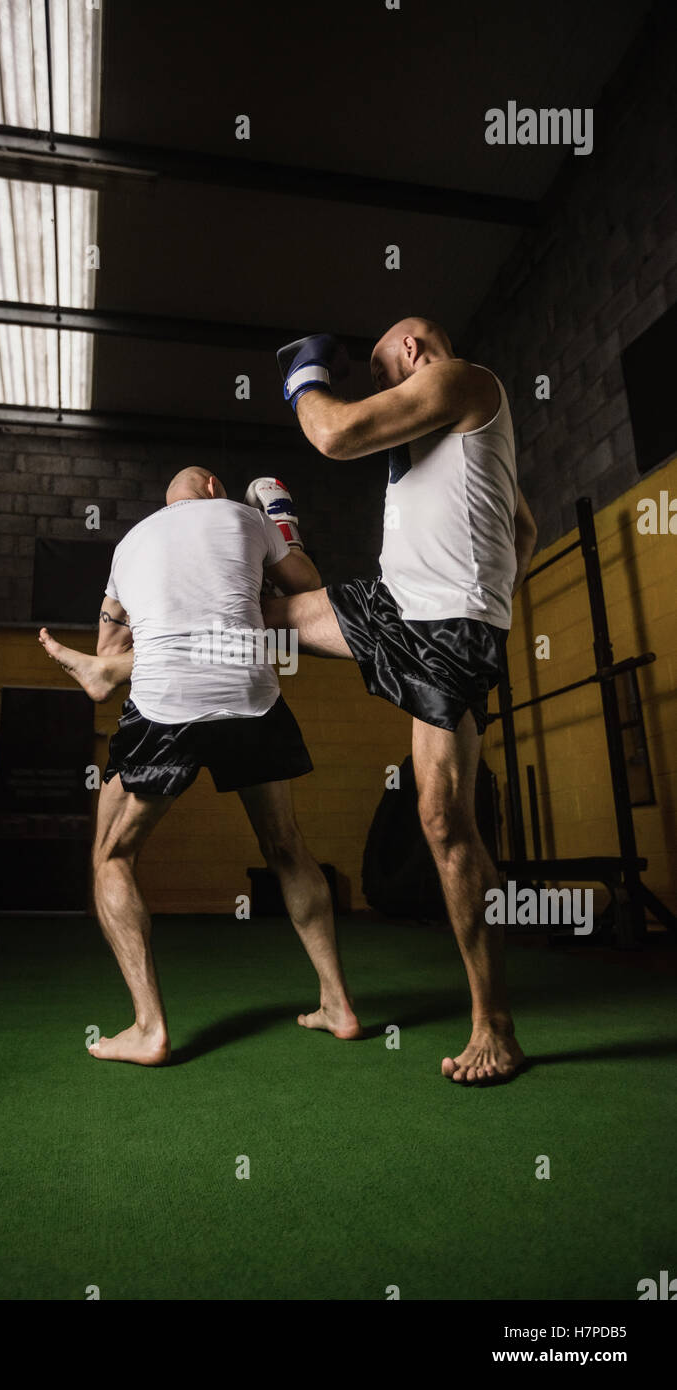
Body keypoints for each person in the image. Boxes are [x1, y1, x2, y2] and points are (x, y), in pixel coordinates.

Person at [263, 318, 538, 1084]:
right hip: (397, 605)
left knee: (443, 819)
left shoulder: (460, 379)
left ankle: (496, 1027)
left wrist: (304, 373)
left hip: (447, 627)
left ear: (413, 349)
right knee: (261, 616)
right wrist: (497, 587)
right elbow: (524, 526)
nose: (385, 390)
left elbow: (334, 433)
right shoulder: (460, 431)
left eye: (385, 373)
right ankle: (275, 536)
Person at [39, 466, 361, 1065]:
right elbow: (308, 589)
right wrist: (281, 525)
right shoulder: (247, 517)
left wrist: (129, 642)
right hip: (251, 697)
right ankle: (338, 1004)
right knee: (286, 847)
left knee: (111, 857)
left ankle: (149, 1029)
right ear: (214, 486)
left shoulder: (128, 545)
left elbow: (112, 647)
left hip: (166, 703)